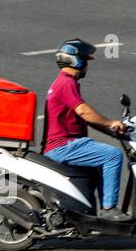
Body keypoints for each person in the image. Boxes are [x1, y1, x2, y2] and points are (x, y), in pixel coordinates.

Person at [43, 39, 131, 222]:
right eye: (85, 61)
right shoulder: (66, 83)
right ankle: (108, 209)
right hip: (63, 146)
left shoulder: (64, 83)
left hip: (66, 144)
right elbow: (84, 111)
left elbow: (86, 119)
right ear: (77, 61)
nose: (87, 67)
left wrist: (113, 133)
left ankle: (95, 215)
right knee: (112, 156)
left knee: (101, 161)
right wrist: (110, 122)